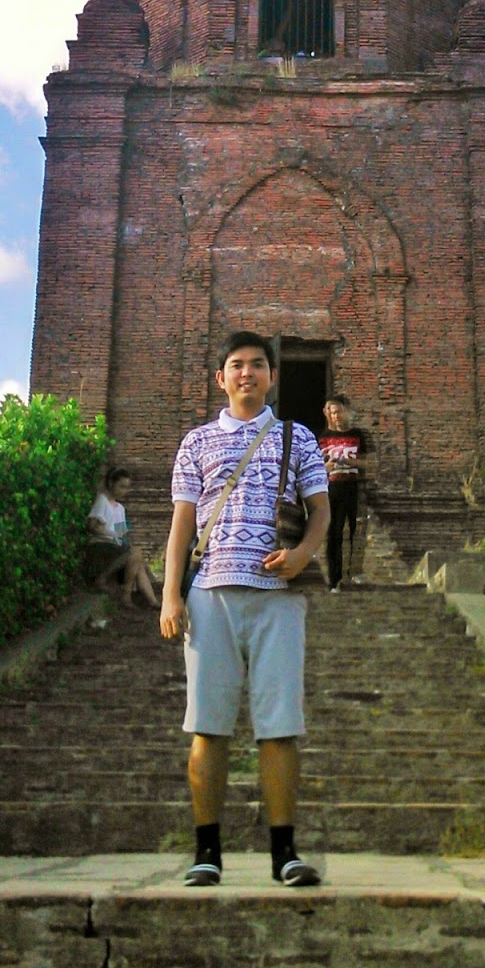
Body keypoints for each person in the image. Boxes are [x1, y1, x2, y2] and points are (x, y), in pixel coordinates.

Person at [160, 330, 330, 887]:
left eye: (258, 365)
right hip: (210, 592)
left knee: (279, 728)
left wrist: (303, 554)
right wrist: (170, 593)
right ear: (221, 377)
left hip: (278, 597)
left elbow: (321, 511)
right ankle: (206, 852)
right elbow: (183, 522)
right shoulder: (197, 442)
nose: (247, 374)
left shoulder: (297, 437)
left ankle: (284, 852)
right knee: (207, 727)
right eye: (236, 365)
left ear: (273, 377)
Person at [317, 394, 371, 592]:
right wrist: (326, 466)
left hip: (354, 488)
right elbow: (313, 468)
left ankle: (355, 575)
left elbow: (367, 462)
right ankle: (335, 581)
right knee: (334, 535)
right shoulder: (322, 438)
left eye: (339, 412)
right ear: (327, 414)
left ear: (345, 412)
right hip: (332, 491)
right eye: (332, 413)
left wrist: (349, 462)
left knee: (356, 534)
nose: (336, 416)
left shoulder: (357, 435)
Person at [84, 468, 159, 608]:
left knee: (138, 561)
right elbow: (91, 526)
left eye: (126, 487)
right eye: (121, 486)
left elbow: (122, 535)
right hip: (101, 547)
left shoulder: (120, 509)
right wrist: (112, 535)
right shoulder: (102, 501)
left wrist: (122, 541)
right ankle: (119, 590)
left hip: (116, 548)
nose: (124, 491)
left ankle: (152, 601)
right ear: (111, 483)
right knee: (136, 552)